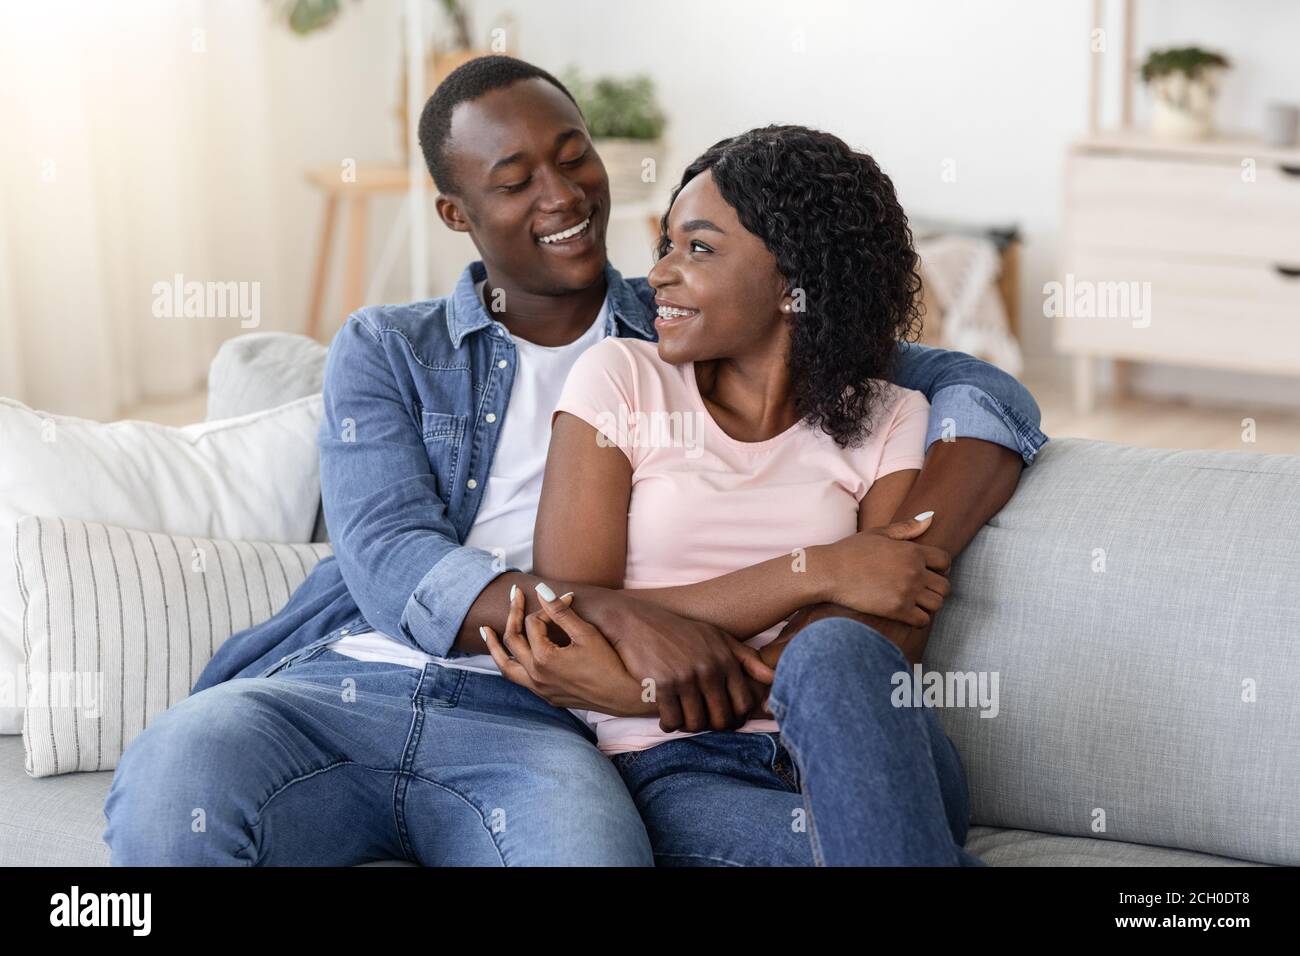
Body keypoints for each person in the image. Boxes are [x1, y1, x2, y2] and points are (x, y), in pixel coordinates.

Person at [103, 56, 1046, 866]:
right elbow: (392, 556)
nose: (562, 196)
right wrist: (614, 622)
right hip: (359, 681)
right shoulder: (391, 347)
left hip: (542, 729)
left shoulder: (682, 322)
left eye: (573, 156)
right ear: (453, 209)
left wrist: (905, 553)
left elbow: (977, 388)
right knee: (181, 777)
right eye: (514, 180)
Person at [487, 125, 980, 865]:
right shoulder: (620, 379)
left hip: (877, 751)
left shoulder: (892, 415)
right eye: (664, 246)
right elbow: (570, 612)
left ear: (793, 280)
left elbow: (887, 629)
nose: (658, 274)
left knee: (838, 648)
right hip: (679, 769)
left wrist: (644, 692)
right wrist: (819, 570)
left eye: (699, 248)